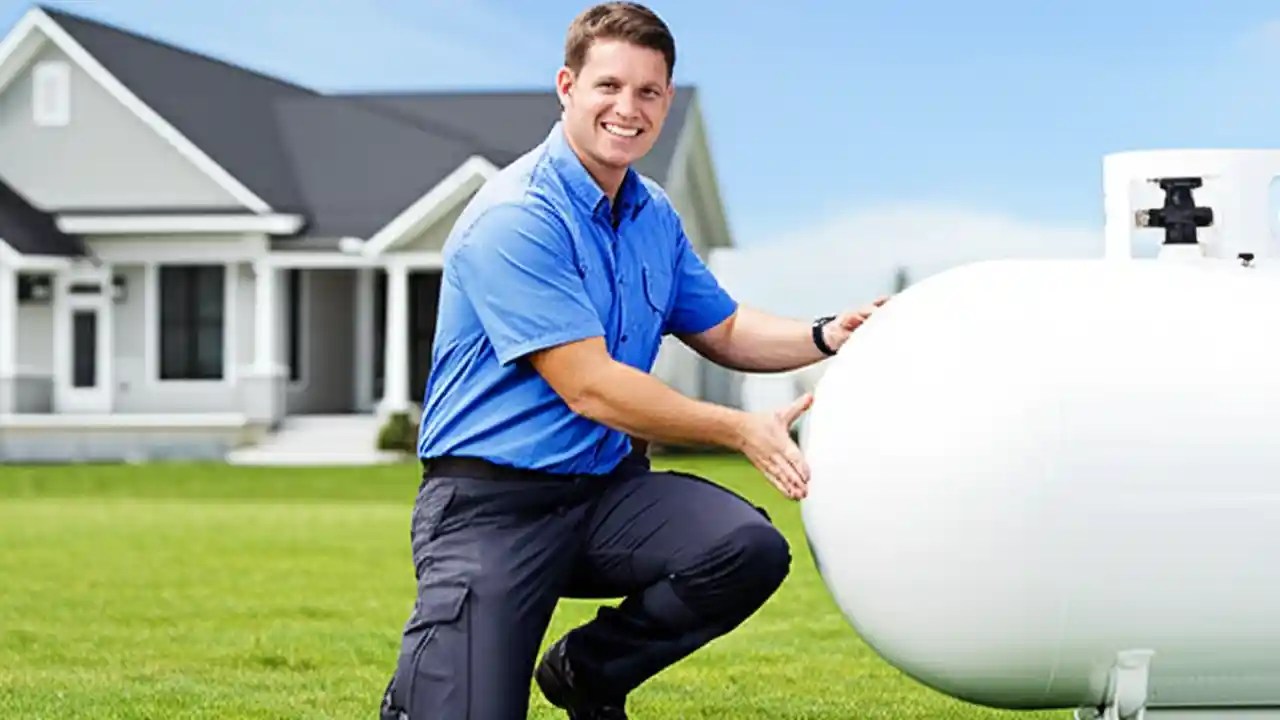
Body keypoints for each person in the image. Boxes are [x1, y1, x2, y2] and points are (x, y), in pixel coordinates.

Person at [379, 3, 888, 718]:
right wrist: (739, 429)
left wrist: (824, 334)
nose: (628, 108)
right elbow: (589, 387)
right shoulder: (517, 217)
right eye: (608, 87)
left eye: (647, 92)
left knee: (744, 549)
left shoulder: (651, 213)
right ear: (567, 87)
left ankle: (587, 674)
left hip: (605, 495)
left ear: (666, 101)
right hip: (490, 508)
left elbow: (727, 326)